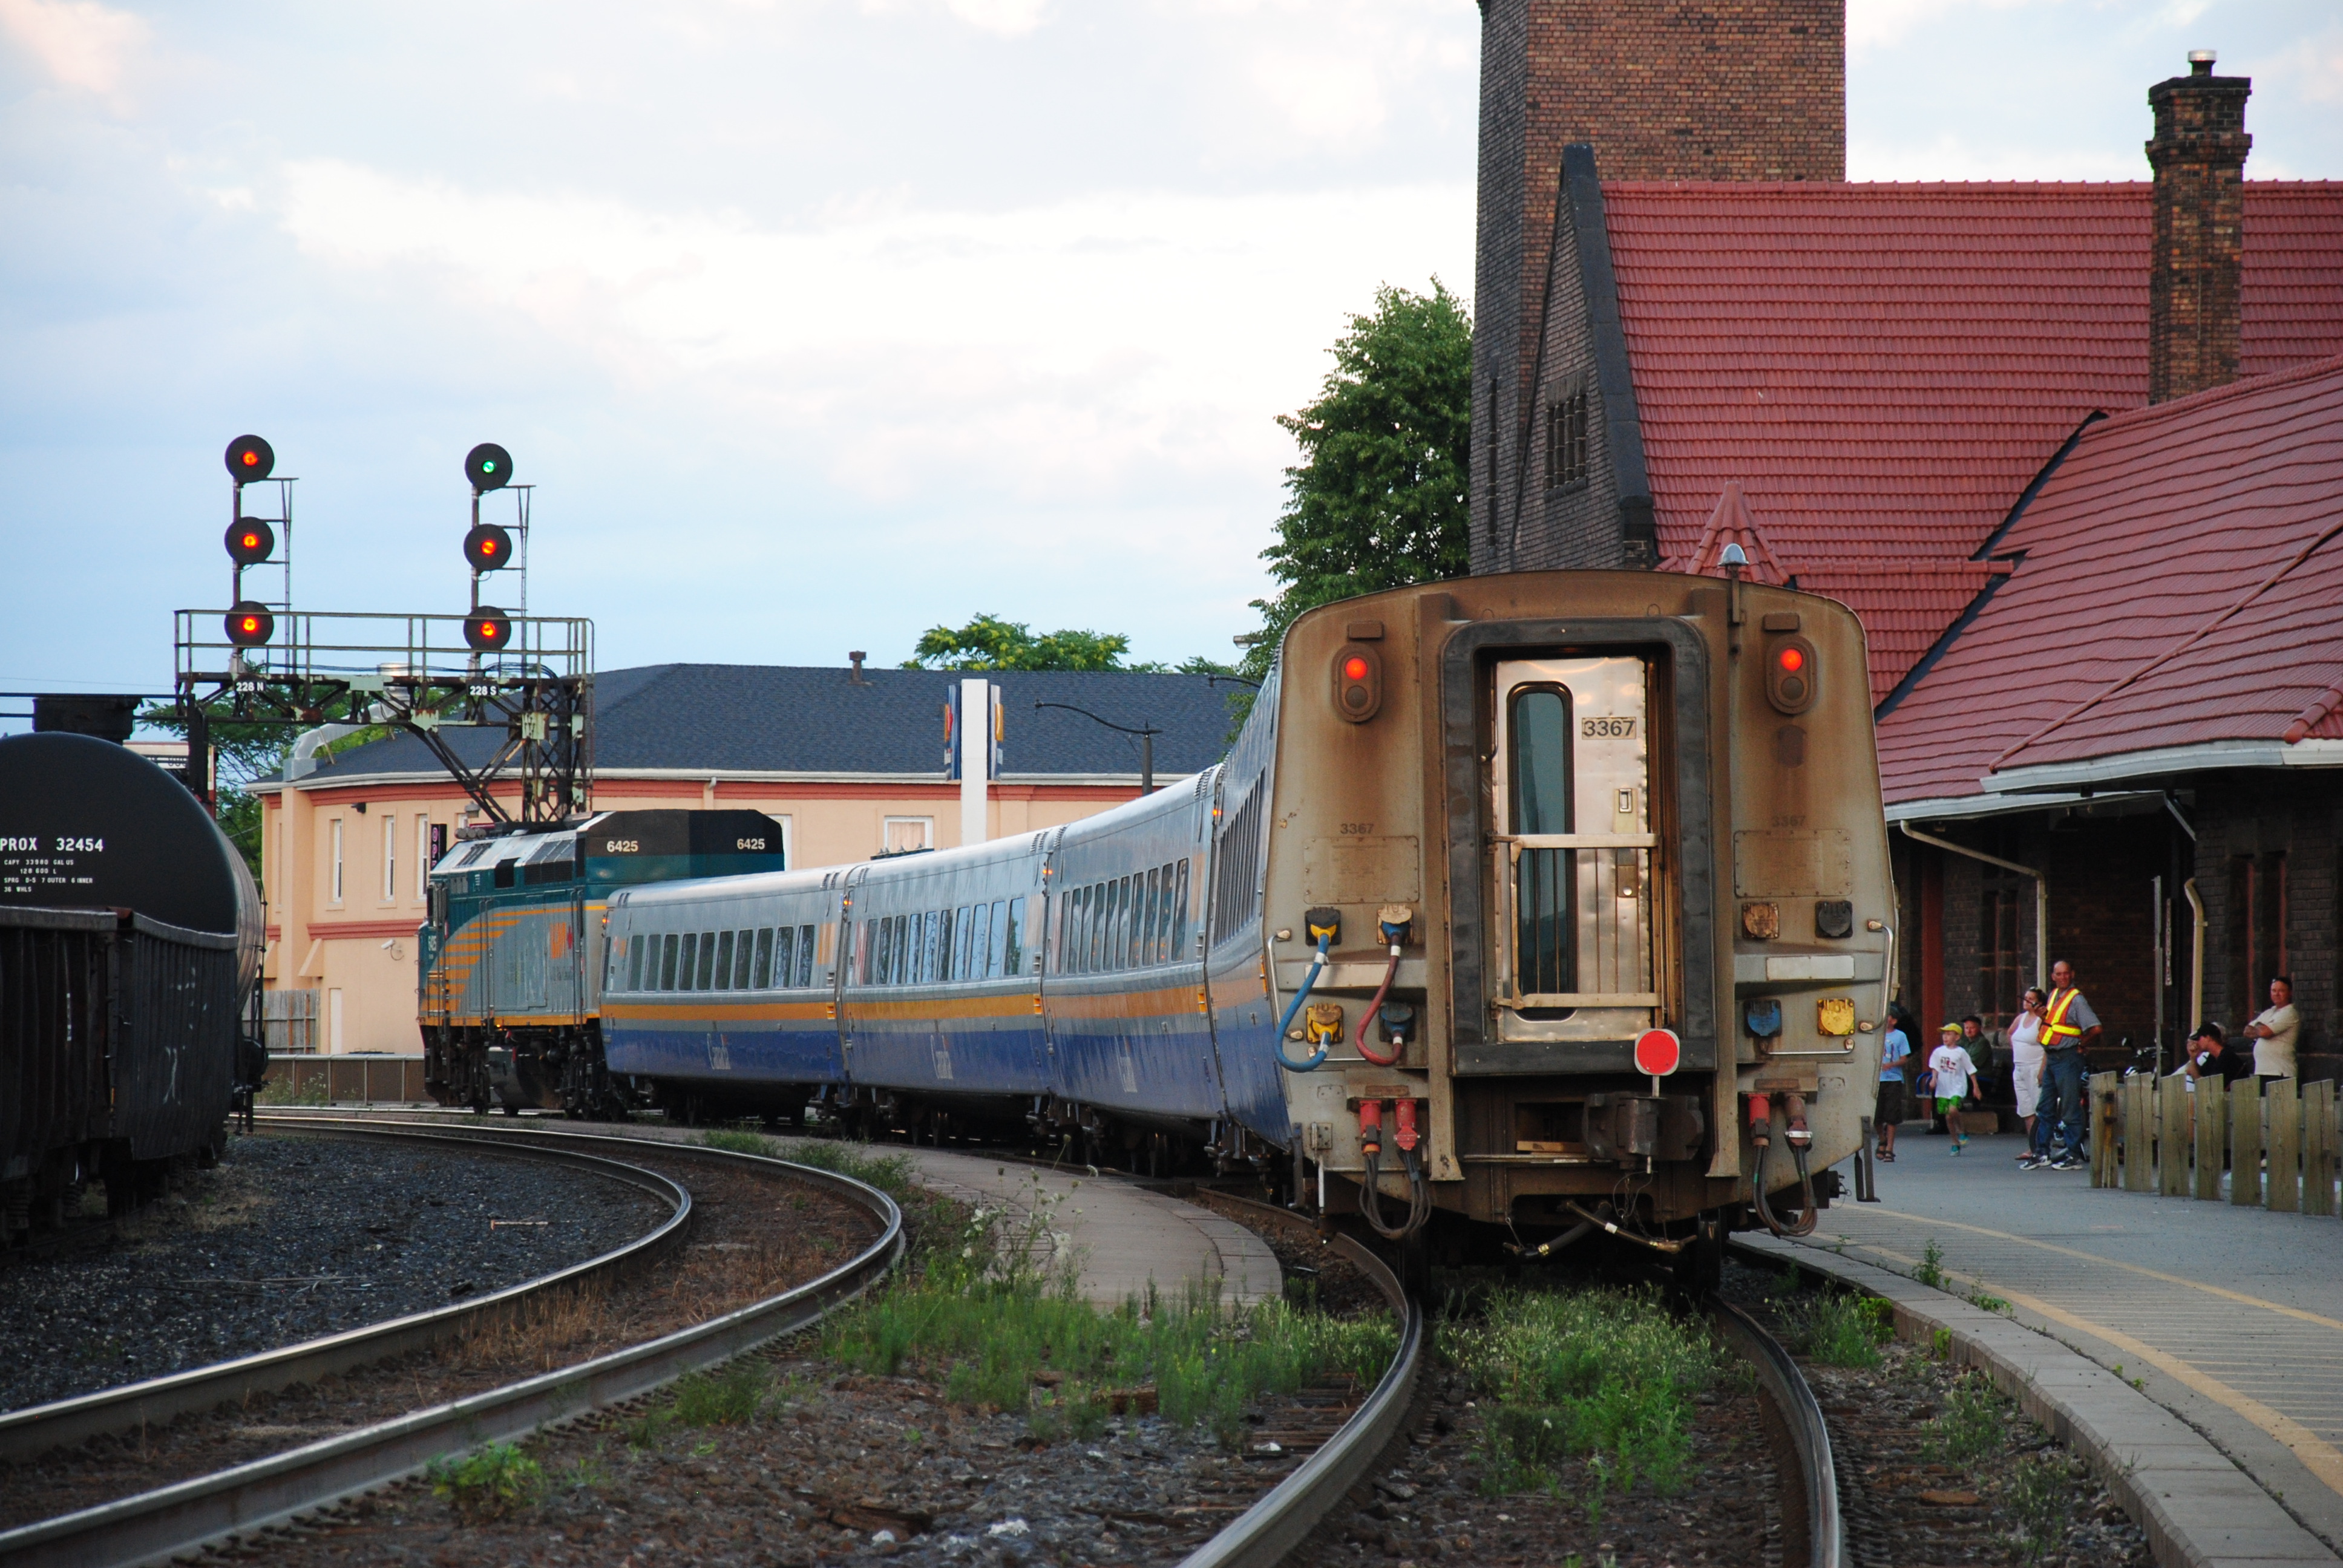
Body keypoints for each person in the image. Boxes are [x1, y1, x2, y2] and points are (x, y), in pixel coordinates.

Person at [2033, 959, 2101, 1171]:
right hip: (2053, 1057)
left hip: (2068, 1058)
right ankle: (2042, 1153)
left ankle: (2073, 1155)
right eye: (2058, 974)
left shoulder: (2076, 999)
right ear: (2053, 976)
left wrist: (2082, 1045)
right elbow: (2056, 1025)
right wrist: (2042, 1016)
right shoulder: (2054, 995)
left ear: (2072, 974)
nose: (2062, 977)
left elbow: (2096, 1028)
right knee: (2045, 1107)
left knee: (2070, 1108)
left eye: (2066, 973)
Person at [1927, 1022, 1983, 1154]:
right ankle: (1955, 1142)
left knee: (1953, 1110)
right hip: (1943, 1088)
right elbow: (1935, 1068)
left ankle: (1961, 1129)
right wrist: (1934, 1079)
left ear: (1957, 1037)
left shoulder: (1961, 1053)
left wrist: (1976, 1087)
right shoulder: (1938, 1052)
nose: (1945, 1037)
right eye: (1944, 1034)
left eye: (1949, 1034)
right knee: (1948, 1117)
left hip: (1957, 1087)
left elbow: (1971, 1070)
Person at [2008, 988, 2048, 1168]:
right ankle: (2033, 1147)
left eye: (2031, 998)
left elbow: (2047, 1046)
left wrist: (2042, 1070)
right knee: (2026, 1109)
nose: (2026, 1001)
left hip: (2035, 1067)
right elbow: (2010, 1033)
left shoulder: (2041, 1021)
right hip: (2019, 1068)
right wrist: (2017, 1050)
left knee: (2038, 1106)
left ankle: (2043, 1147)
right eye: (2025, 998)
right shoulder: (2020, 1018)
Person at [2241, 976, 2299, 1085]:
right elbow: (2247, 1031)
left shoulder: (2290, 1013)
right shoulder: (2268, 1012)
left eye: (2281, 991)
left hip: (2280, 1072)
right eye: (2274, 991)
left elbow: (2266, 1033)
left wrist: (2259, 1028)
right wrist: (2261, 1029)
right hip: (2262, 1070)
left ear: (2290, 993)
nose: (2277, 994)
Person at [1876, 1013, 1912, 1163]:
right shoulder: (1876, 1035)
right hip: (1877, 1080)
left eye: (1888, 1017)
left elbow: (1904, 1059)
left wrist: (1891, 1065)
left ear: (1894, 1021)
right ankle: (1882, 1139)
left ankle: (1890, 1148)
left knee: (1892, 1115)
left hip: (1893, 1080)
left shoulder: (1900, 1036)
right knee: (1876, 1116)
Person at [2183, 1021, 2252, 1086]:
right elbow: (2200, 1074)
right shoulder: (2213, 1057)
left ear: (2208, 1038)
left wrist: (2193, 1058)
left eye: (2199, 1039)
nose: (2197, 1042)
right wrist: (2193, 1057)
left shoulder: (2226, 1057)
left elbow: (2202, 1084)